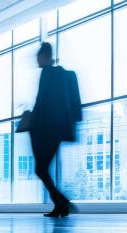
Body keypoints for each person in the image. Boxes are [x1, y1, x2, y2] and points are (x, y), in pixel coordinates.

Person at [29, 42, 82, 218]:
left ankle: (62, 201)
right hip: (59, 129)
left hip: (45, 129)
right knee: (42, 168)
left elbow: (42, 101)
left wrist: (31, 119)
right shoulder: (61, 74)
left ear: (44, 57)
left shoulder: (47, 73)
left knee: (40, 169)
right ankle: (60, 205)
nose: (37, 60)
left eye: (38, 56)